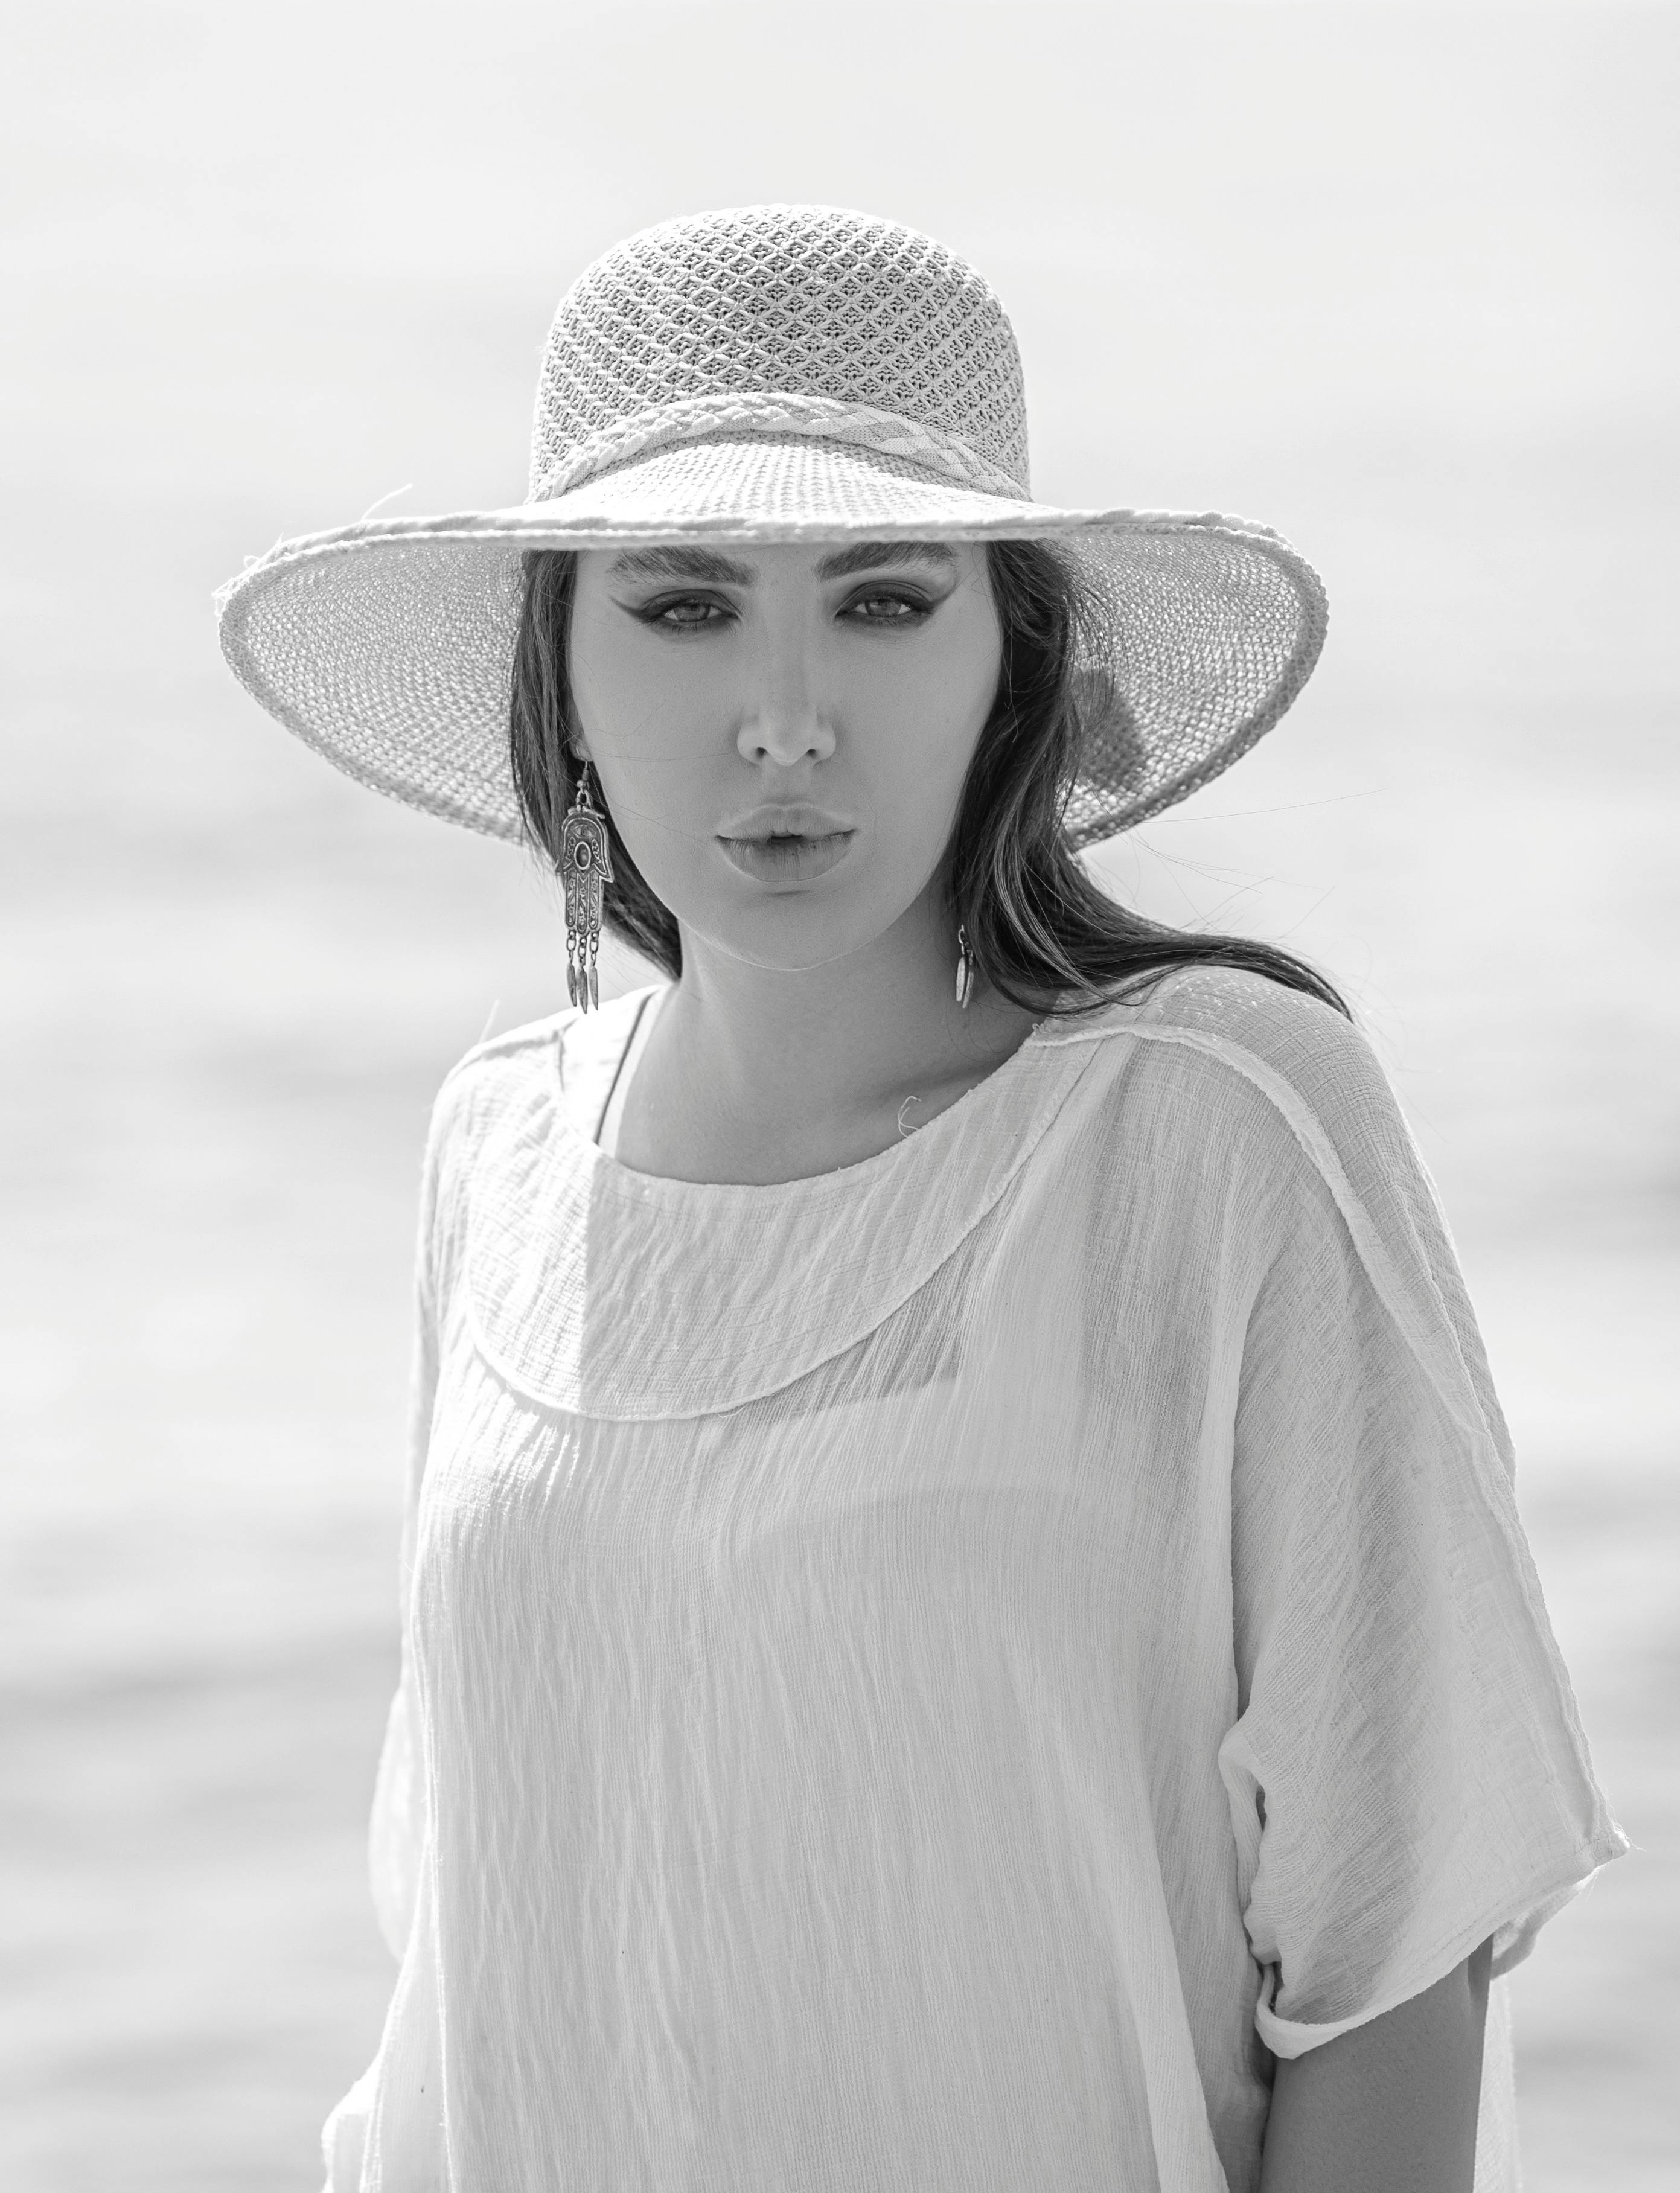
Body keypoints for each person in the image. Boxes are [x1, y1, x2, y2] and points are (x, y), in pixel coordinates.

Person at [218, 205, 1624, 2193]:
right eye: (683, 606)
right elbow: (461, 1959)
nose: (784, 715)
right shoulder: (499, 1153)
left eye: (882, 602)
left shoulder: (1214, 1128)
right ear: (563, 668)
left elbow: (1399, 1953)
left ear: (1009, 662)